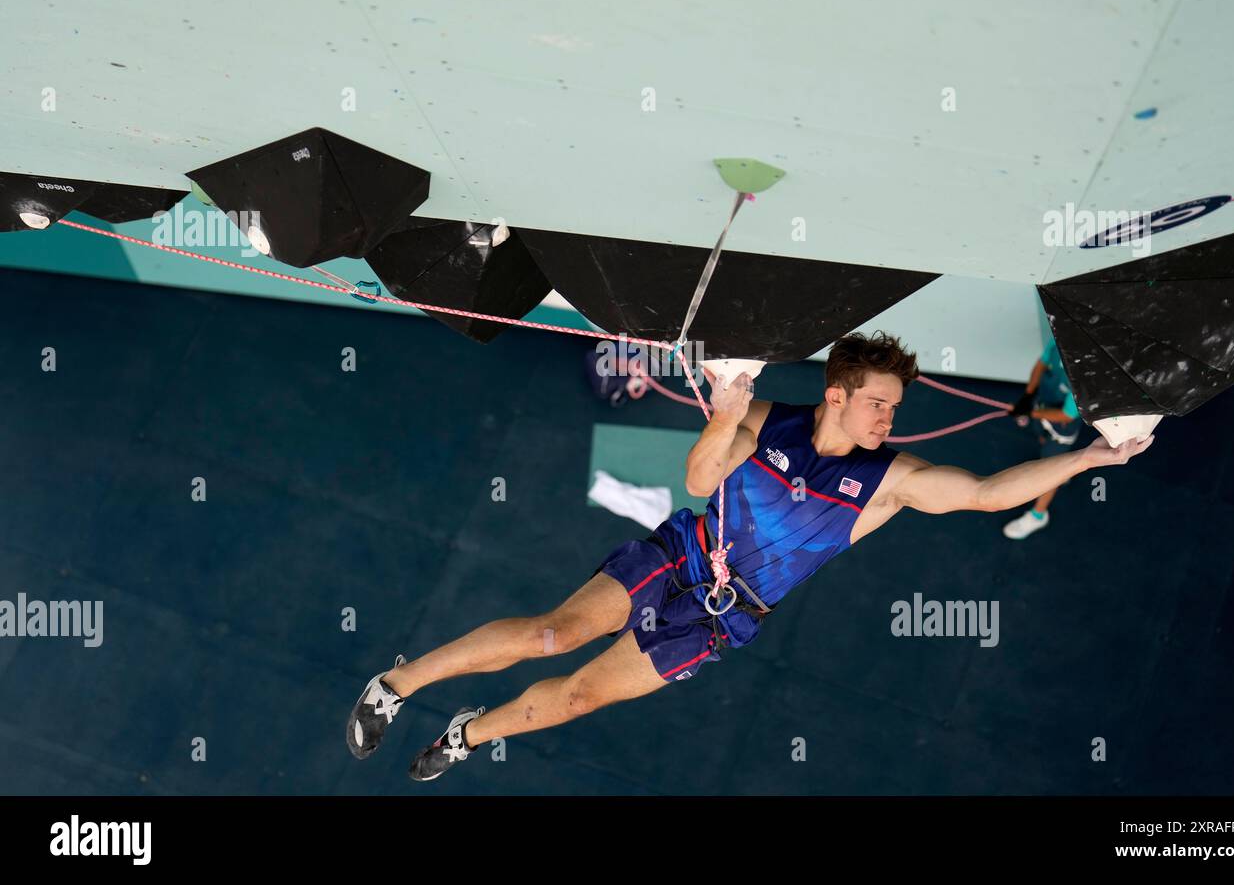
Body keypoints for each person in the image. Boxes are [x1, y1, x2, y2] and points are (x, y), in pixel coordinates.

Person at [346, 330, 1152, 782]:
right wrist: (724, 414)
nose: (887, 418)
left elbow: (985, 493)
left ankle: (470, 734)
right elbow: (699, 476)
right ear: (836, 394)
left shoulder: (892, 479)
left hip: (725, 618)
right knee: (552, 634)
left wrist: (1088, 459)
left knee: (582, 696)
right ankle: (396, 683)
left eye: (894, 407)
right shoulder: (767, 419)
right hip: (681, 553)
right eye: (878, 402)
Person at [1002, 337, 1083, 539]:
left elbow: (1067, 415)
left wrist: (1029, 412)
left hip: (1060, 431)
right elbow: (1040, 365)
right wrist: (1027, 396)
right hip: (1041, 409)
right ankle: (1060, 469)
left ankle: (1038, 515)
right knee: (1040, 439)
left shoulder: (1084, 378)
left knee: (1048, 474)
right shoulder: (1058, 340)